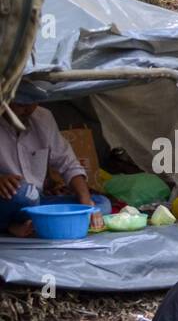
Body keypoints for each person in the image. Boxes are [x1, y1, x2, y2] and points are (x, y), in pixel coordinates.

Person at [0, 100, 110, 237]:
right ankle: (9, 226)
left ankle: (32, 221)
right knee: (24, 194)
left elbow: (68, 162)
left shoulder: (43, 117)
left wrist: (86, 201)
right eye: (21, 105)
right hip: (11, 200)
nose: (27, 110)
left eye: (32, 103)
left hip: (37, 202)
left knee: (101, 204)